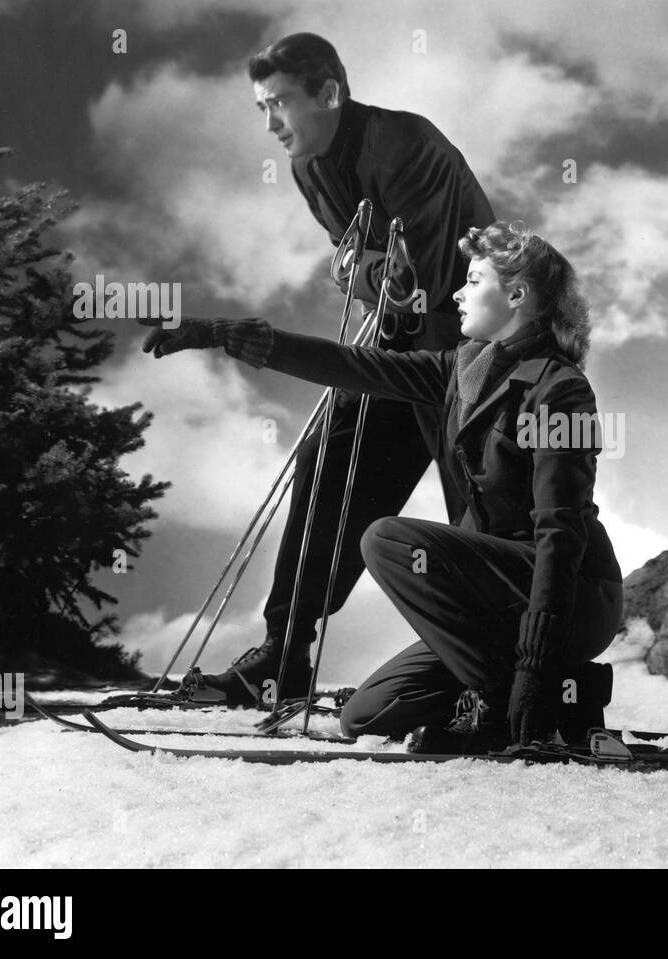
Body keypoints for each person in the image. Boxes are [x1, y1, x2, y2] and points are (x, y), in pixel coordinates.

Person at [141, 223, 622, 747]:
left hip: (568, 596)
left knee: (387, 539)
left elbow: (561, 530)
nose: (457, 294)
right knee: (367, 716)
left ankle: (523, 694)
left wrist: (534, 661)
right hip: (499, 599)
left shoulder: (562, 390)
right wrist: (224, 334)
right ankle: (569, 689)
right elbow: (354, 365)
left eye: (473, 280)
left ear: (516, 295)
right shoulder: (462, 370)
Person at [195, 33, 494, 705]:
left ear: (329, 93)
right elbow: (352, 260)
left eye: (279, 104)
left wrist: (377, 276)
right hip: (397, 342)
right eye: (260, 108)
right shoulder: (309, 168)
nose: (270, 124)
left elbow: (436, 278)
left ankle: (497, 671)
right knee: (328, 452)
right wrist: (360, 271)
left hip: (468, 348)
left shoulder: (407, 145)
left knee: (474, 498)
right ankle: (285, 651)